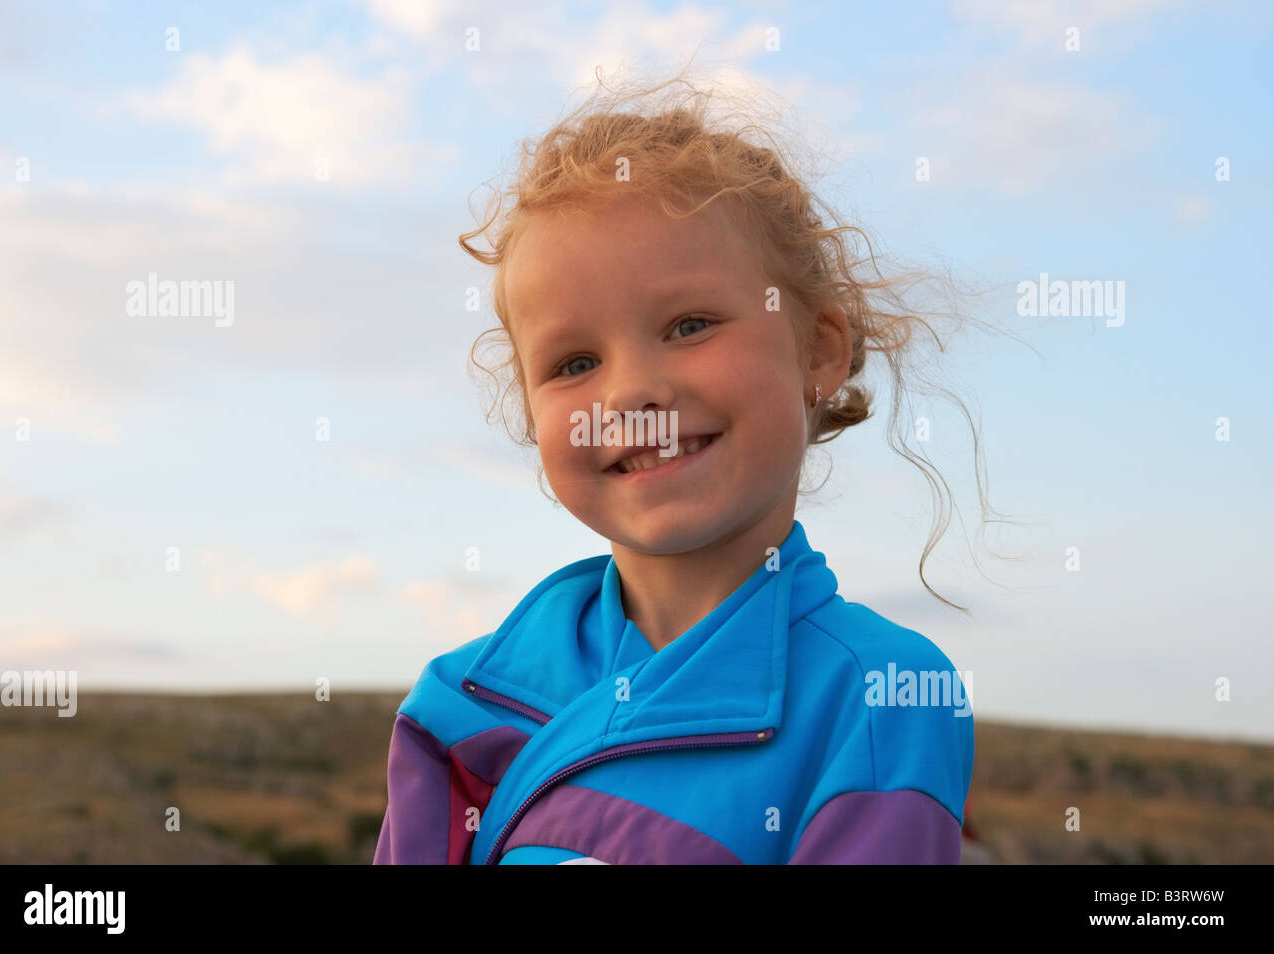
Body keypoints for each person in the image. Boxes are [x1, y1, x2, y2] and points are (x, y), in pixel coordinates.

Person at [375, 71, 986, 865]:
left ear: (820, 351)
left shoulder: (878, 695)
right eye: (574, 362)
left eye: (690, 324)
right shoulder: (455, 705)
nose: (631, 391)